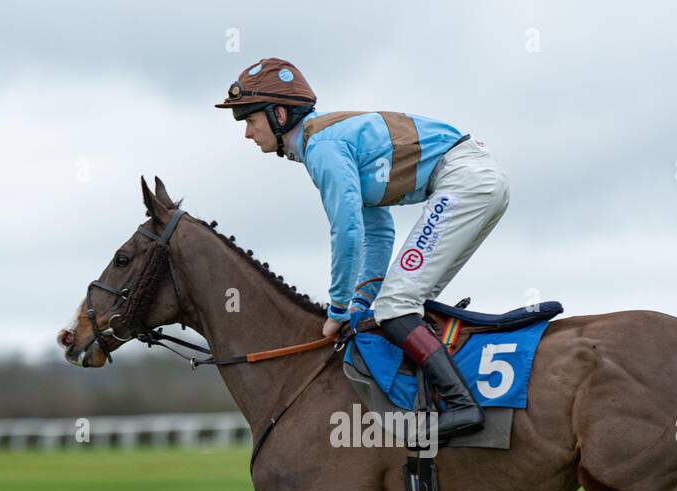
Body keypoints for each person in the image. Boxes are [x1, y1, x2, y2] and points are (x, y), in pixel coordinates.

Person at [215, 57, 511, 440]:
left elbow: (348, 230)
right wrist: (359, 303)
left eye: (249, 121)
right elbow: (378, 232)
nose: (247, 134)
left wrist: (337, 307)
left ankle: (461, 406)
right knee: (401, 303)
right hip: (476, 181)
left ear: (280, 114)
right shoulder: (325, 142)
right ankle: (436, 398)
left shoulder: (322, 146)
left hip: (464, 182)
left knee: (396, 305)